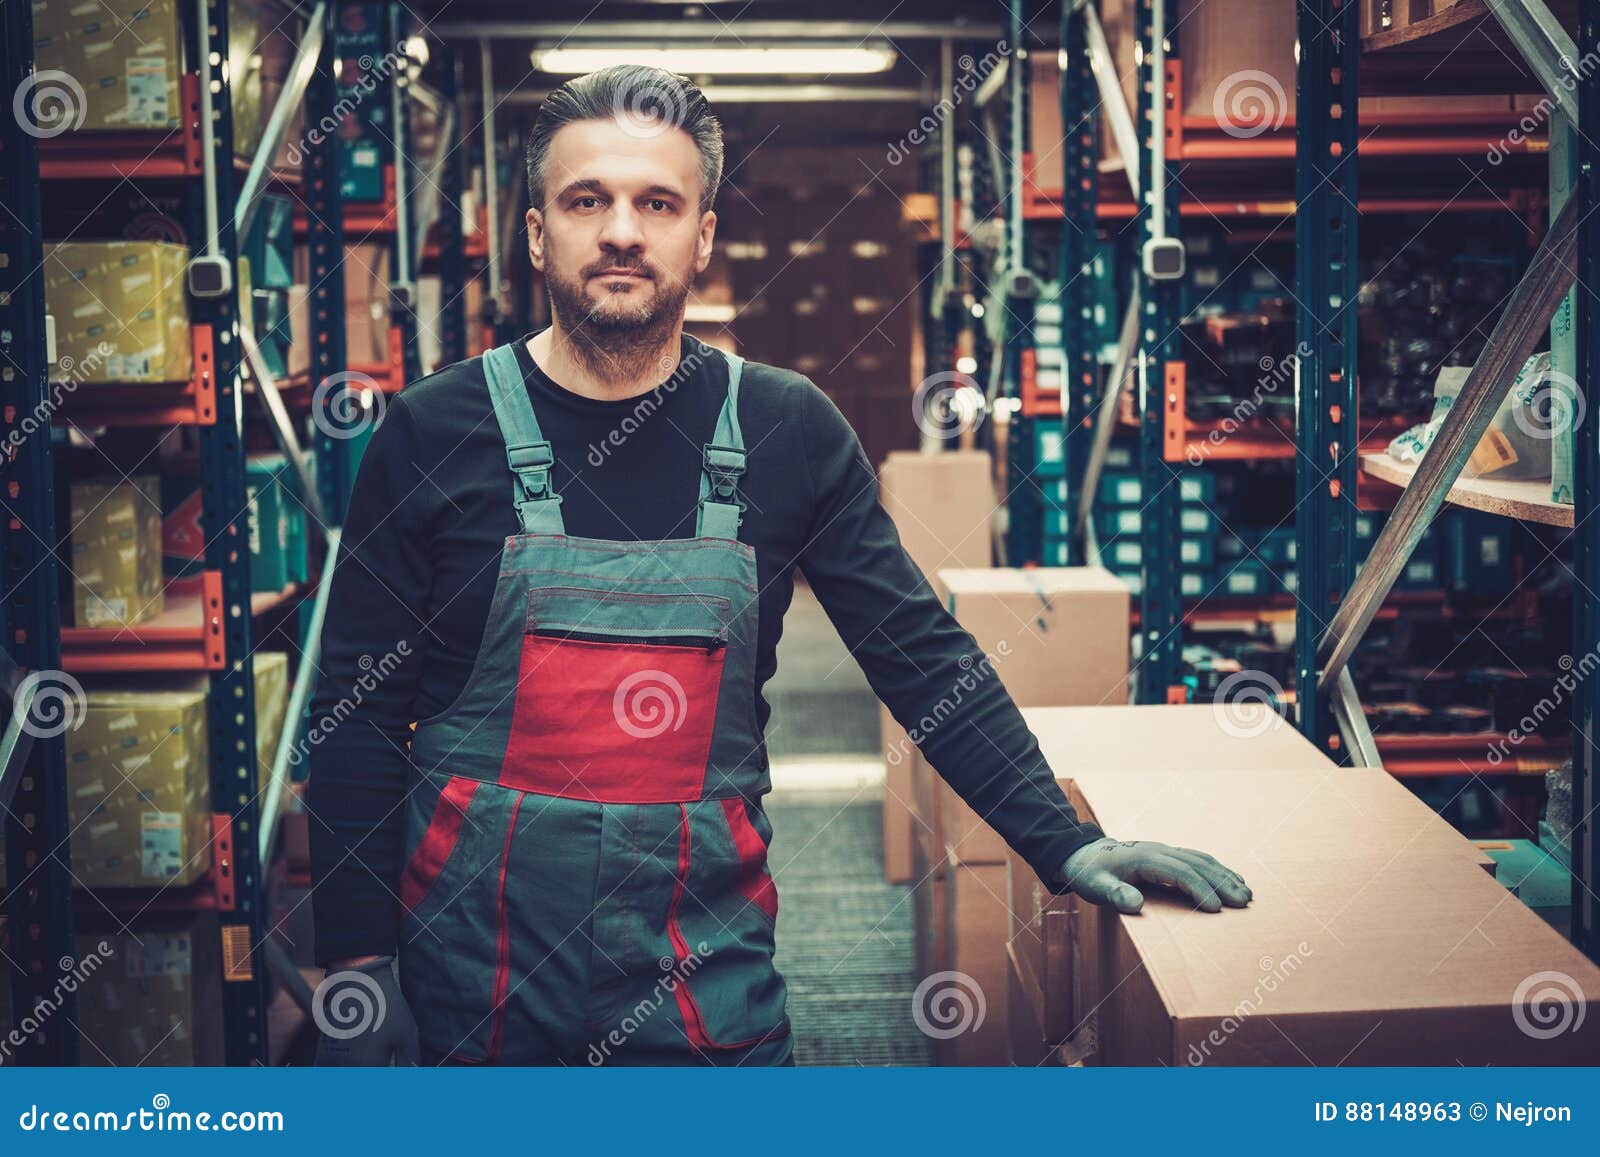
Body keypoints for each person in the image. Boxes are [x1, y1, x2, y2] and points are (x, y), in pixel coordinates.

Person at [307, 64, 1250, 1068]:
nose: (621, 231)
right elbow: (357, 708)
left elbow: (918, 654)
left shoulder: (783, 427)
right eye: (586, 200)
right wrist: (358, 963)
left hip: (697, 968)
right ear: (537, 233)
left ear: (703, 234)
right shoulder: (431, 431)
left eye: (657, 202)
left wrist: (1063, 840)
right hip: (470, 972)